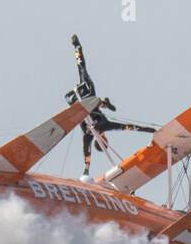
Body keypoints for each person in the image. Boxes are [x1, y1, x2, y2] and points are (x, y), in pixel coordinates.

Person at [65, 34, 155, 177]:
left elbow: (86, 153)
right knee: (82, 69)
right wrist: (151, 130)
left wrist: (86, 170)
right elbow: (129, 127)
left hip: (82, 100)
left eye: (102, 141)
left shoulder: (89, 135)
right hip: (89, 96)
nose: (103, 138)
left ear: (100, 140)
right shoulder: (104, 126)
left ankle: (103, 103)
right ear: (105, 139)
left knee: (81, 69)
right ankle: (77, 46)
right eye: (105, 140)